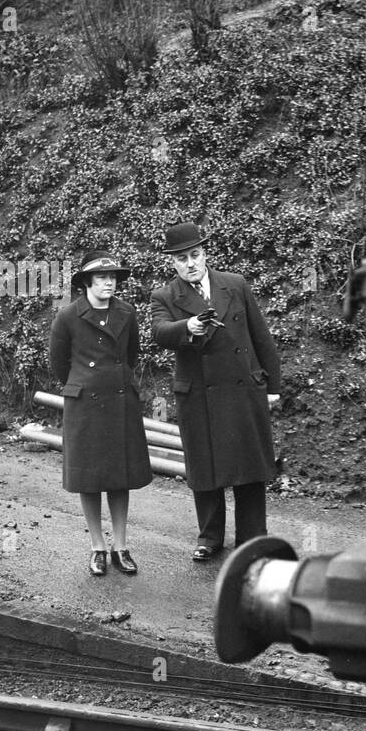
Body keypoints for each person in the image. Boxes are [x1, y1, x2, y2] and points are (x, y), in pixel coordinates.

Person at [149, 223, 281, 561]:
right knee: (204, 467)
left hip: (243, 388)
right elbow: (159, 332)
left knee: (249, 466)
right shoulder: (165, 296)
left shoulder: (235, 284)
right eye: (182, 258)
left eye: (195, 255)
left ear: (205, 254)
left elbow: (260, 335)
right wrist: (187, 327)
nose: (191, 263)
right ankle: (209, 537)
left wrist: (273, 387)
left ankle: (252, 538)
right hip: (200, 395)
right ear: (173, 263)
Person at [49, 249, 153, 576]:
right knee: (90, 479)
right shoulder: (68, 317)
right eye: (102, 278)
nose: (109, 283)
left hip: (120, 401)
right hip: (85, 406)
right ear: (86, 283)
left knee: (119, 477)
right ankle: (98, 547)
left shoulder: (127, 312)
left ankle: (121, 547)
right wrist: (84, 384)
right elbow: (58, 364)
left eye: (113, 278)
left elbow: (132, 354)